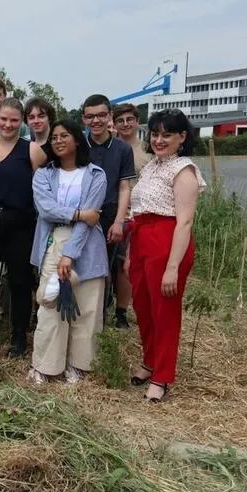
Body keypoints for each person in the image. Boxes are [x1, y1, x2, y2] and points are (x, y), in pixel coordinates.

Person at [126, 109, 207, 402]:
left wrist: (172, 266)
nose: (159, 140)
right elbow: (137, 210)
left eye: (167, 135)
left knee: (164, 312)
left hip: (167, 242)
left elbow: (184, 221)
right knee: (143, 307)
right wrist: (129, 255)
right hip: (142, 240)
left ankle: (162, 375)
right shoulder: (150, 167)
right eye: (155, 134)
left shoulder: (184, 171)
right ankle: (150, 360)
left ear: (182, 137)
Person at [27, 120, 109, 385]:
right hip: (53, 240)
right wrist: (77, 213)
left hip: (87, 244)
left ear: (77, 139)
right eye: (55, 138)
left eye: (65, 136)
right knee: (50, 304)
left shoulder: (96, 175)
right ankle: (46, 366)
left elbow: (91, 218)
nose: (59, 141)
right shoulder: (43, 174)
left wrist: (70, 254)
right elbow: (46, 209)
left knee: (86, 308)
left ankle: (79, 365)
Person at [0, 97, 48, 357]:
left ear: (22, 122)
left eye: (14, 120)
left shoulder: (32, 151)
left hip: (20, 227)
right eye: (4, 119)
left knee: (20, 283)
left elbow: (43, 188)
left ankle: (18, 336)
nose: (8, 124)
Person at [81, 94, 136, 323]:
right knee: (84, 267)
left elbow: (124, 187)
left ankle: (106, 318)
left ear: (110, 116)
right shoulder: (78, 146)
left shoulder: (122, 150)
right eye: (90, 116)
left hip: (111, 213)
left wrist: (119, 221)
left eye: (102, 115)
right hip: (83, 215)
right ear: (83, 118)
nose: (96, 121)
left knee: (109, 269)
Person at [111, 103, 151, 329]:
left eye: (130, 119)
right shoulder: (110, 147)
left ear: (137, 121)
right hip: (111, 211)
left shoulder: (148, 150)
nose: (125, 124)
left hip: (135, 213)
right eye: (120, 120)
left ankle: (122, 311)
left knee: (125, 266)